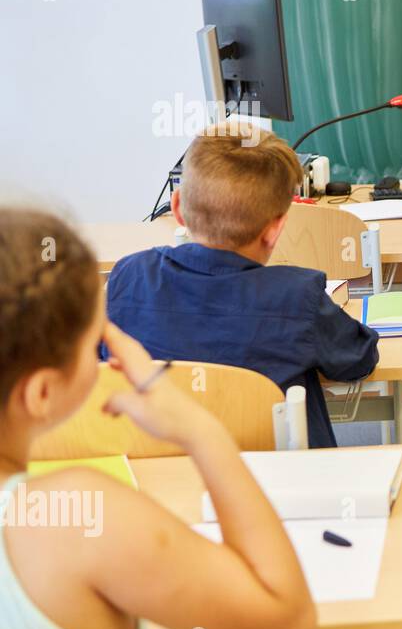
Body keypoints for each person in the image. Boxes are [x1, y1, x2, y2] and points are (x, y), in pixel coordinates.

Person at [0, 208, 314, 629]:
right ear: (42, 393)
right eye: (94, 344)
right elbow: (288, 623)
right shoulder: (79, 517)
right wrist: (200, 430)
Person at [106, 123, 379, 448]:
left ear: (177, 208)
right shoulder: (297, 297)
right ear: (275, 230)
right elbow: (358, 360)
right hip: (277, 486)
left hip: (158, 481)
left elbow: (104, 365)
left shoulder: (128, 277)